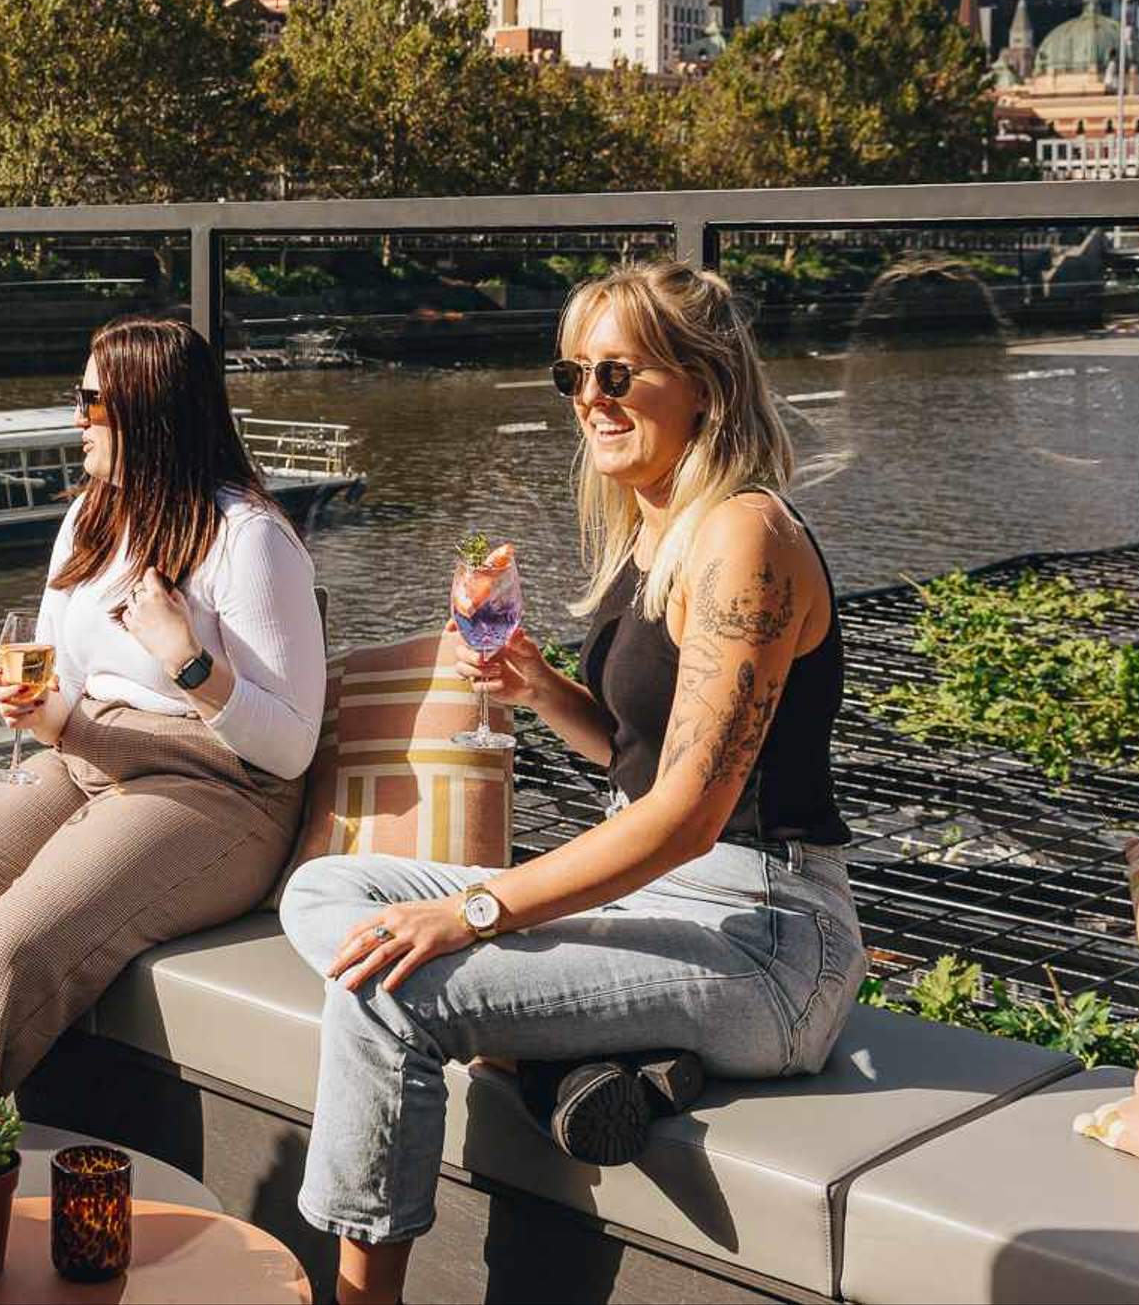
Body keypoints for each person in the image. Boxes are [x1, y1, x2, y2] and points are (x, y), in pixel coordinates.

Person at [277, 262, 864, 1305]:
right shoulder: (663, 533)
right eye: (571, 375)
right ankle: (571, 1065)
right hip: (669, 901)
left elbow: (689, 815)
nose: (587, 397)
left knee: (386, 992)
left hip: (770, 940)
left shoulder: (745, 539)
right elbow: (643, 762)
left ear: (705, 382)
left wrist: (480, 910)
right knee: (324, 892)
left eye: (616, 372)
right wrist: (542, 687)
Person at [0, 314, 323, 1107]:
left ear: (149, 411)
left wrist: (188, 662)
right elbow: (58, 663)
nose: (76, 417)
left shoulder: (249, 539)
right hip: (82, 754)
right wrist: (32, 702)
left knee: (10, 947)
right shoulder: (91, 517)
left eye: (91, 401)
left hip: (216, 791)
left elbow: (292, 748)